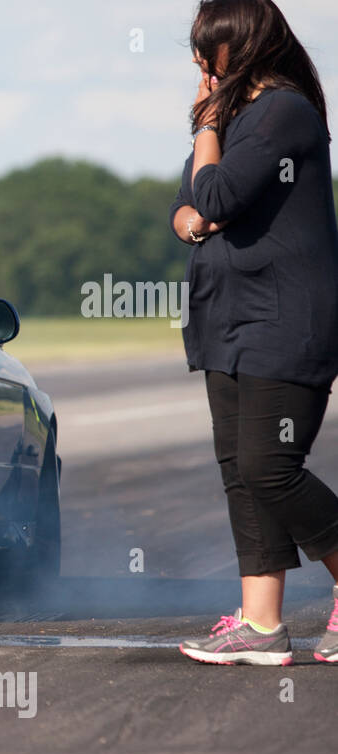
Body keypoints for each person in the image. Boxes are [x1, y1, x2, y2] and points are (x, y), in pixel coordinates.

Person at [170, 0, 338, 665]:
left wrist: (206, 131)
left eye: (203, 48)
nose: (195, 63)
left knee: (271, 467)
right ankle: (262, 625)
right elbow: (186, 209)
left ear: (236, 48)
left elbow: (208, 202)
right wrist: (202, 190)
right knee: (241, 472)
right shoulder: (242, 122)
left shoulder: (285, 113)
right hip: (226, 320)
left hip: (284, 321)